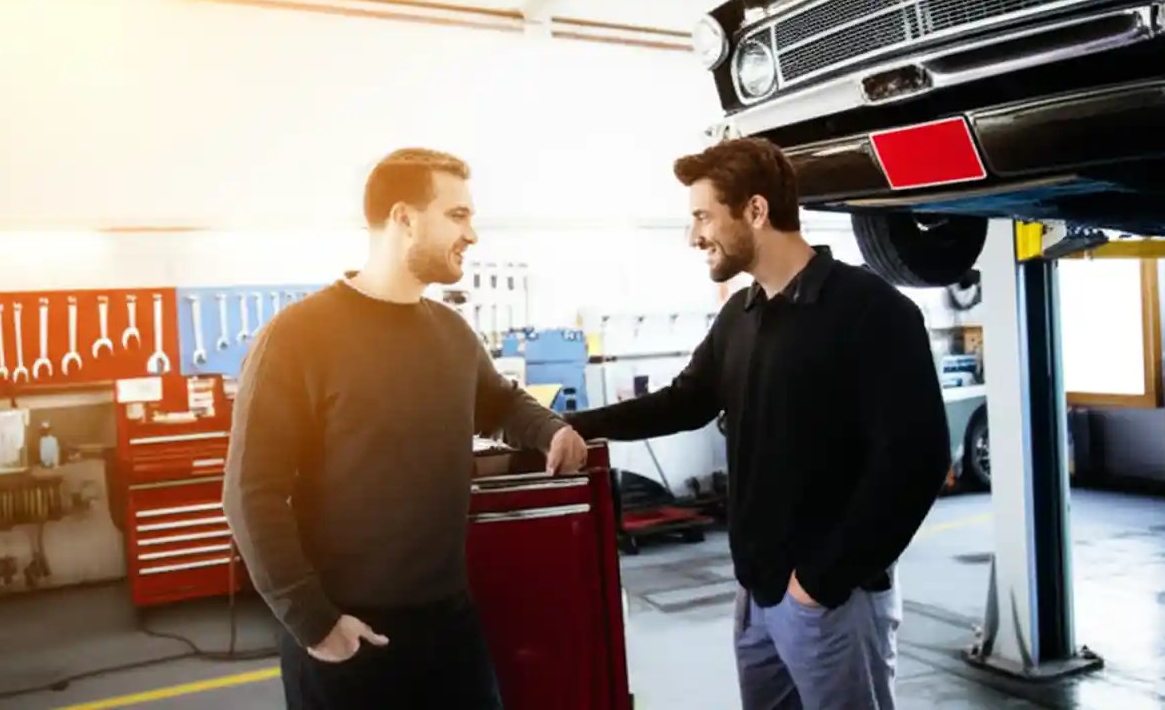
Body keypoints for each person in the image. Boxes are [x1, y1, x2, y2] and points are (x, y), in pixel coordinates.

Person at [563, 136, 950, 710]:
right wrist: (573, 423)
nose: (694, 236)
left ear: (756, 211)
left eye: (702, 216)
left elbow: (917, 461)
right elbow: (684, 400)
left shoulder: (871, 310)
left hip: (832, 602)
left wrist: (819, 583)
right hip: (757, 597)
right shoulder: (740, 315)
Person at [222, 147, 589, 710]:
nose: (473, 234)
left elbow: (498, 403)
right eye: (458, 215)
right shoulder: (298, 337)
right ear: (404, 218)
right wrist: (314, 622)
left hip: (449, 627)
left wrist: (550, 430)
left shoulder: (449, 332)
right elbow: (250, 492)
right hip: (348, 638)